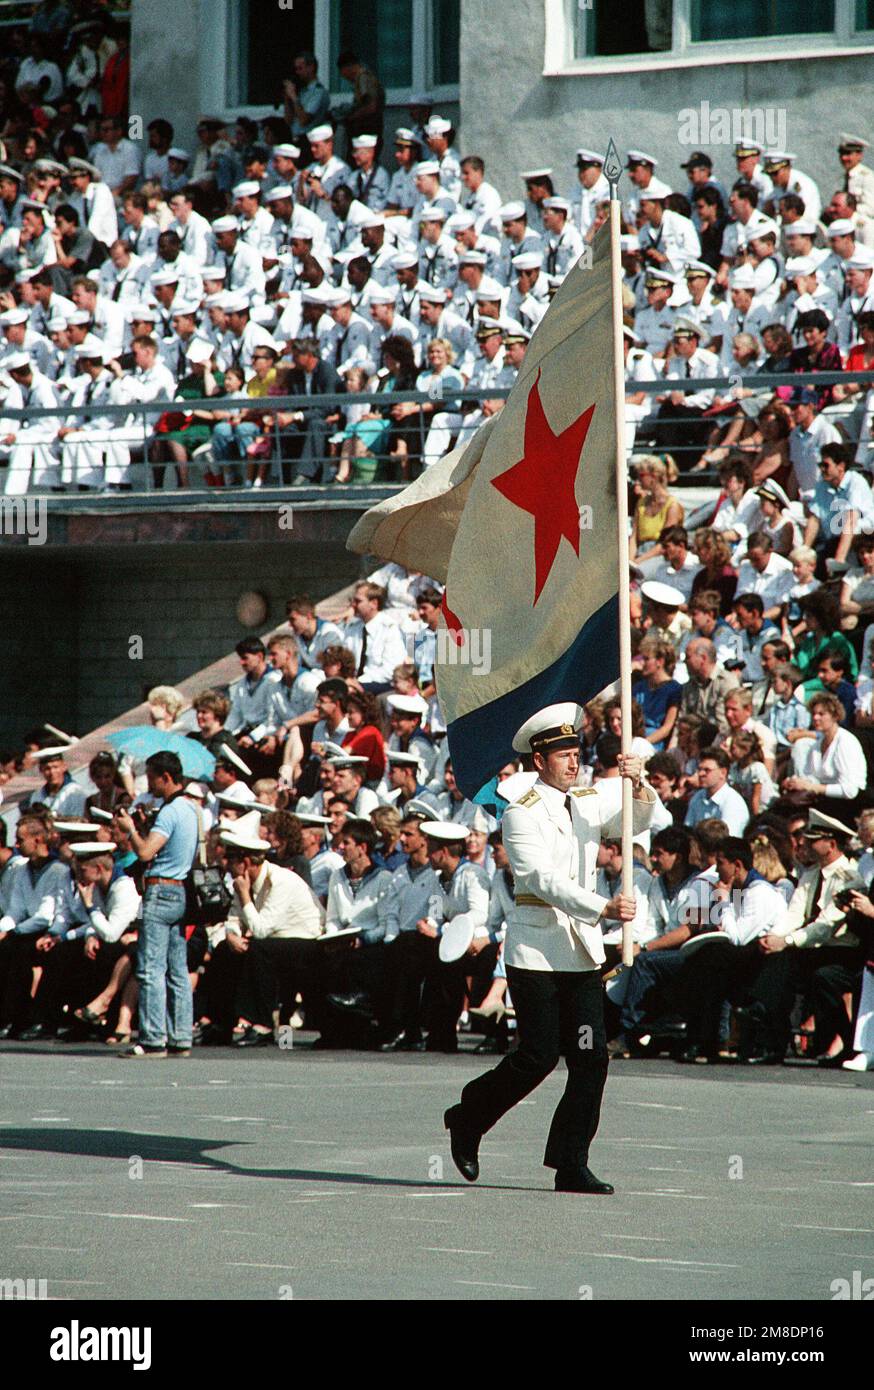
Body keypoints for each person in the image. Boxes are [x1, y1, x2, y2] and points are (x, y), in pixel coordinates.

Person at [443, 703, 655, 1195]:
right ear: (538, 760)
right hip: (536, 951)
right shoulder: (521, 812)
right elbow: (540, 878)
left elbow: (635, 820)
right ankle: (468, 1117)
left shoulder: (584, 800)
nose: (573, 761)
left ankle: (570, 1161)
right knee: (537, 1056)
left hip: (576, 951)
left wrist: (637, 782)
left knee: (590, 1057)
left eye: (576, 751)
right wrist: (601, 908)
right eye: (562, 753)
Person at [115, 750, 198, 1058]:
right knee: (177, 968)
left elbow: (147, 853)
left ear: (165, 777)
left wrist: (132, 831)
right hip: (181, 892)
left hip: (161, 891)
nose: (148, 783)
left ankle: (152, 1038)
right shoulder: (191, 809)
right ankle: (180, 1036)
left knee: (151, 967)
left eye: (151, 777)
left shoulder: (170, 811)